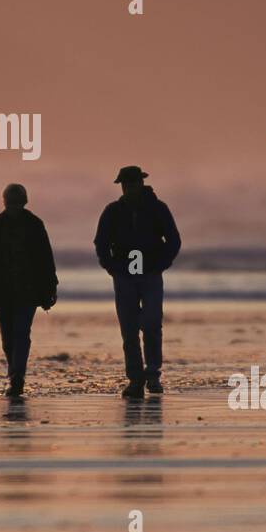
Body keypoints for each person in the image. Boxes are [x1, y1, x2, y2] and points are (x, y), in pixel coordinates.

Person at [94, 166, 181, 399]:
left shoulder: (157, 209)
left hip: (150, 275)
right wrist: (112, 267)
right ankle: (135, 379)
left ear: (141, 183)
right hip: (125, 277)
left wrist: (160, 264)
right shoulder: (113, 211)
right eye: (125, 184)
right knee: (129, 330)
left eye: (132, 183)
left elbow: (173, 240)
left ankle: (152, 374)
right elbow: (101, 242)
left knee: (152, 324)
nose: (128, 187)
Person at [0, 183, 58, 398]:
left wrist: (51, 286)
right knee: (8, 337)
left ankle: (17, 377)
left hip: (27, 291)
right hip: (2, 292)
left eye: (17, 203)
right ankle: (14, 374)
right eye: (11, 203)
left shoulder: (35, 225)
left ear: (24, 203)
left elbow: (46, 259)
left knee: (21, 333)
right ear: (5, 202)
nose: (14, 207)